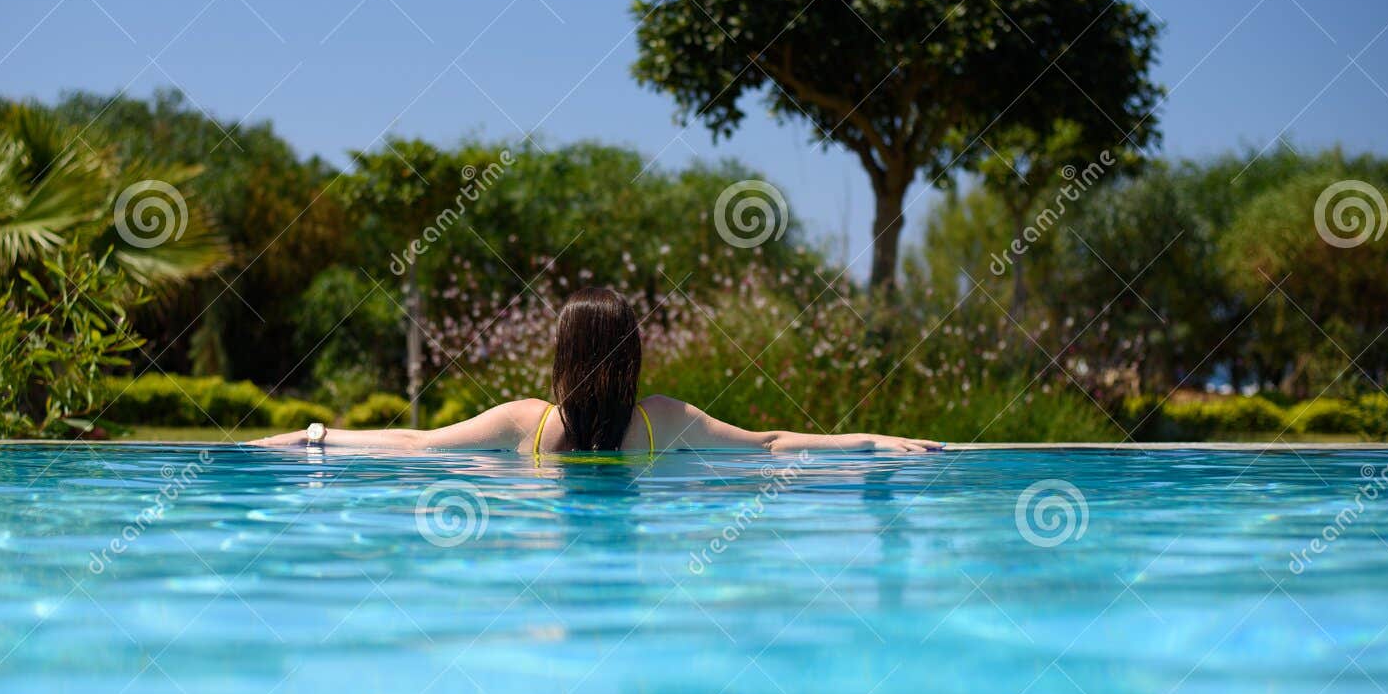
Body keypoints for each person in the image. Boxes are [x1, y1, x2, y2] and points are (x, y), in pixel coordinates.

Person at [251, 286, 943, 455]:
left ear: (563, 352)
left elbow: (417, 444)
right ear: (632, 352)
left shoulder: (532, 422)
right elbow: (771, 446)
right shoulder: (662, 421)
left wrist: (314, 438)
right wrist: (870, 442)